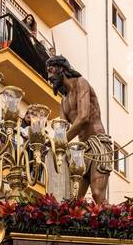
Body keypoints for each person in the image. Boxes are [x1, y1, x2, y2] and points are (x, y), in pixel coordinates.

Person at [46, 54, 114, 203]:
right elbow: (62, 132)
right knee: (74, 200)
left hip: (98, 144)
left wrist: (59, 143)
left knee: (97, 194)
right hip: (81, 151)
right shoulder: (63, 102)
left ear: (61, 69)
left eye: (51, 70)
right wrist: (53, 144)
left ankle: (118, 223)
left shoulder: (81, 83)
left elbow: (84, 117)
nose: (49, 76)